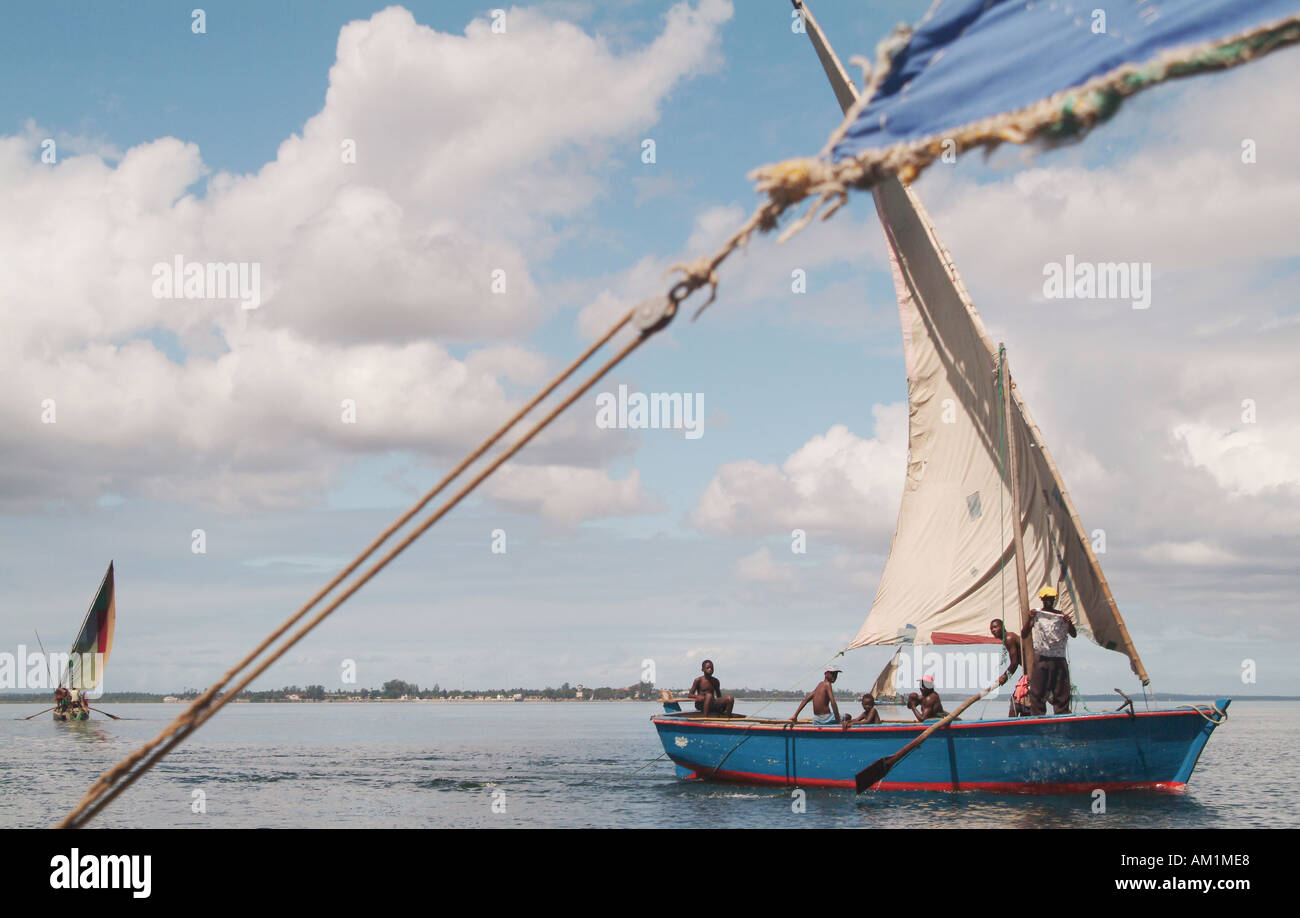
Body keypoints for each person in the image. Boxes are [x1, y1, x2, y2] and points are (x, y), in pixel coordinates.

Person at [1021, 586, 1075, 715]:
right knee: (1037, 691)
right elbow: (1024, 634)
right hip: (1042, 658)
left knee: (1061, 691)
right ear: (1042, 599)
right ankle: (1038, 717)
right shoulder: (1037, 614)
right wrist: (1030, 618)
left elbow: (1074, 634)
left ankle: (1062, 715)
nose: (1049, 601)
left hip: (1059, 659)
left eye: (1051, 599)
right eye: (1046, 599)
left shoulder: (1061, 616)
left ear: (1054, 599)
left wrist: (1069, 623)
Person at [990, 618, 1029, 717]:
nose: (993, 630)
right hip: (1029, 673)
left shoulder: (1009, 638)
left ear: (1002, 627)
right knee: (1018, 701)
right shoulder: (1007, 638)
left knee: (1017, 703)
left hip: (1034, 673)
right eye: (991, 629)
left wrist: (1004, 677)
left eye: (995, 627)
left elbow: (1014, 663)